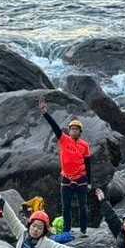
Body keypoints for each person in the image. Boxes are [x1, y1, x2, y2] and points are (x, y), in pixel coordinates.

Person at [38, 98, 92, 235]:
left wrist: (89, 181)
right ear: (69, 131)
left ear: (80, 132)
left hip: (81, 179)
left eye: (76, 129)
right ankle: (67, 231)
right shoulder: (63, 139)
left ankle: (83, 230)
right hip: (67, 179)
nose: (73, 131)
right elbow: (54, 126)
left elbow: (88, 164)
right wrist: (45, 113)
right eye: (71, 129)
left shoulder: (84, 145)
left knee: (83, 206)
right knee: (66, 207)